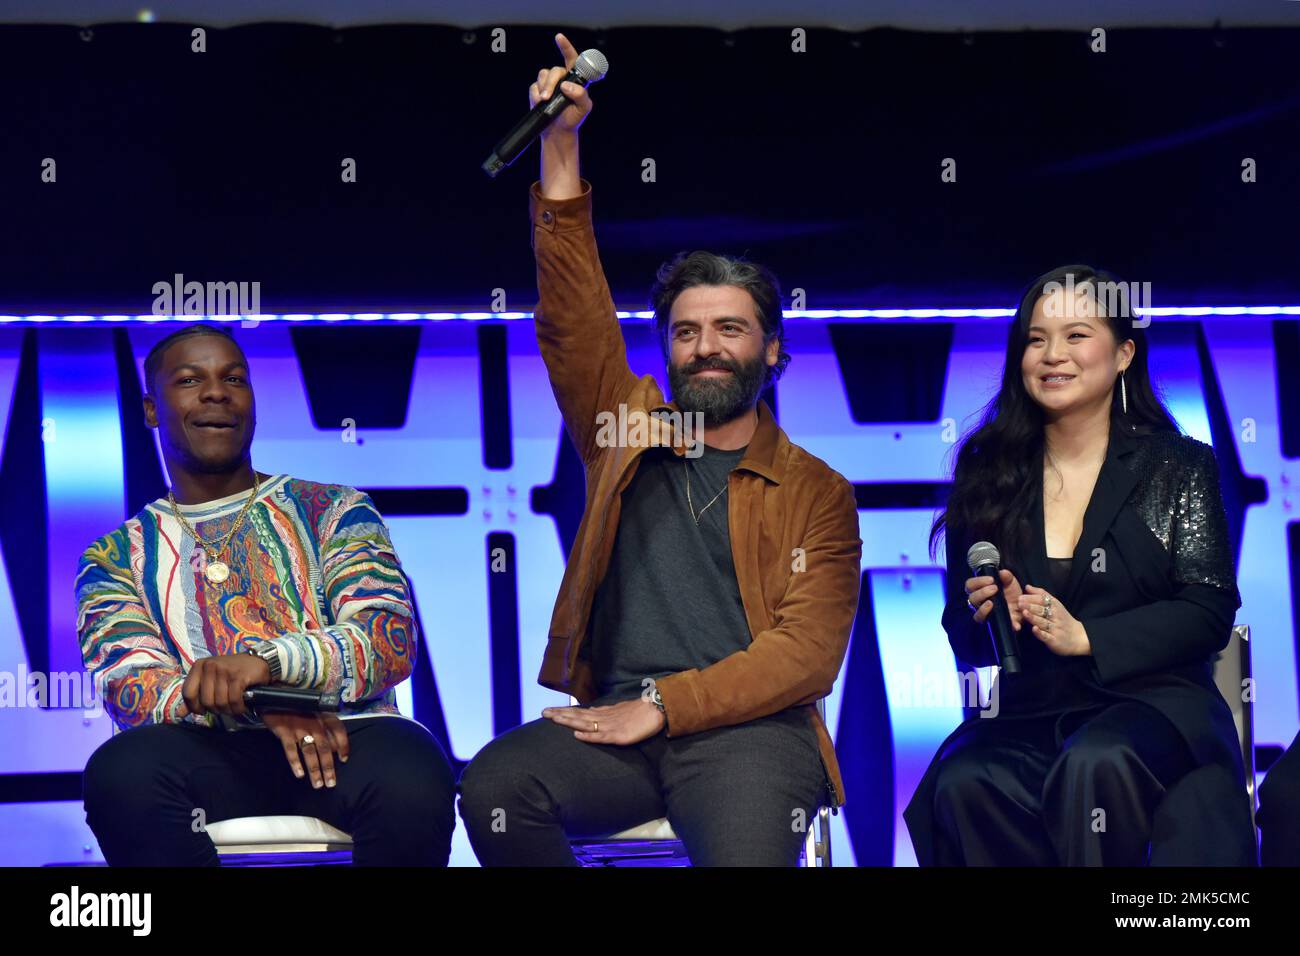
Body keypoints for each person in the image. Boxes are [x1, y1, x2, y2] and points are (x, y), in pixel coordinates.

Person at [457, 34, 862, 866]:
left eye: (729, 330)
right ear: (667, 349)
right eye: (685, 332)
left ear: (774, 351)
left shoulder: (815, 490)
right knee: (496, 788)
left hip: (753, 737)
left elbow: (806, 654)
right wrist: (562, 144)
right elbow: (575, 319)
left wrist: (666, 704)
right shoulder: (624, 427)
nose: (705, 347)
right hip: (617, 728)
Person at [904, 265, 1257, 866]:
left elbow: (1208, 610)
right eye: (1036, 339)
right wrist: (992, 616)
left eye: (1076, 336)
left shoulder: (1176, 464)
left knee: (1095, 763)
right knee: (965, 780)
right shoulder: (988, 469)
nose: (1051, 355)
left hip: (1155, 707)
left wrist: (1087, 636)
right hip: (1032, 709)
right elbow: (963, 636)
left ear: (1123, 354)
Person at [77, 323, 457, 866]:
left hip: (346, 736)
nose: (216, 392)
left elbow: (387, 639)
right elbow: (132, 689)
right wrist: (268, 706)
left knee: (414, 769)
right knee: (121, 773)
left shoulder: (334, 509)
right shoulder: (112, 557)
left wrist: (266, 667)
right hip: (212, 753)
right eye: (189, 380)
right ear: (152, 410)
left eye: (234, 378)